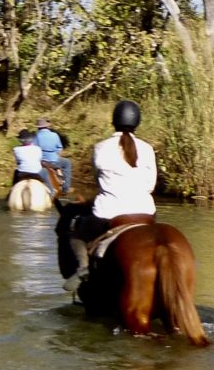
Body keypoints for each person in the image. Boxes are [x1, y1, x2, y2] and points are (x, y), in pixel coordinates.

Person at [61, 100, 156, 282]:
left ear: (113, 121)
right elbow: (150, 186)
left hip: (108, 215)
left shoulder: (100, 148)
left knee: (76, 234)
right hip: (146, 214)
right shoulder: (148, 149)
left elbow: (99, 182)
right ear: (137, 122)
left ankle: (83, 268)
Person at [33, 118, 72, 193]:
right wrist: (56, 155)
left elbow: (34, 149)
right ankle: (65, 188)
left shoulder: (36, 136)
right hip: (54, 161)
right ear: (47, 126)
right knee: (67, 163)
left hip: (41, 162)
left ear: (38, 127)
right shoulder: (54, 135)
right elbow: (59, 148)